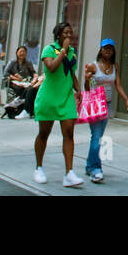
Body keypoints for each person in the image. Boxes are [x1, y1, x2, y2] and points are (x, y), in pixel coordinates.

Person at [32, 23, 83, 187]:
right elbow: (52, 67)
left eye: (71, 33)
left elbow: (70, 72)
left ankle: (69, 172)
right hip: (49, 97)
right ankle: (38, 168)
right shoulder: (49, 49)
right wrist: (63, 51)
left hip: (66, 97)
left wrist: (78, 88)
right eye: (66, 33)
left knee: (69, 132)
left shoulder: (73, 52)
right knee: (43, 134)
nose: (69, 36)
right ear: (58, 35)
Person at [82, 38, 128, 183]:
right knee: (97, 137)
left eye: (110, 48)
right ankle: (96, 169)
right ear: (101, 50)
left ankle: (89, 165)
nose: (107, 51)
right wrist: (86, 79)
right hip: (94, 103)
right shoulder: (93, 66)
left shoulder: (114, 66)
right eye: (105, 48)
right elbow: (87, 88)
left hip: (107, 104)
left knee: (97, 136)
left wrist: (126, 99)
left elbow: (118, 85)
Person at [2, 46, 39, 119]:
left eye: (24, 52)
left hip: (24, 82)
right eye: (20, 51)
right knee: (23, 90)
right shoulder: (13, 62)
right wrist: (15, 78)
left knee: (31, 89)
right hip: (13, 82)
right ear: (17, 52)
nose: (22, 53)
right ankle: (23, 108)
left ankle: (24, 107)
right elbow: (6, 73)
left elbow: (33, 72)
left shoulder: (28, 63)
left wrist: (35, 76)